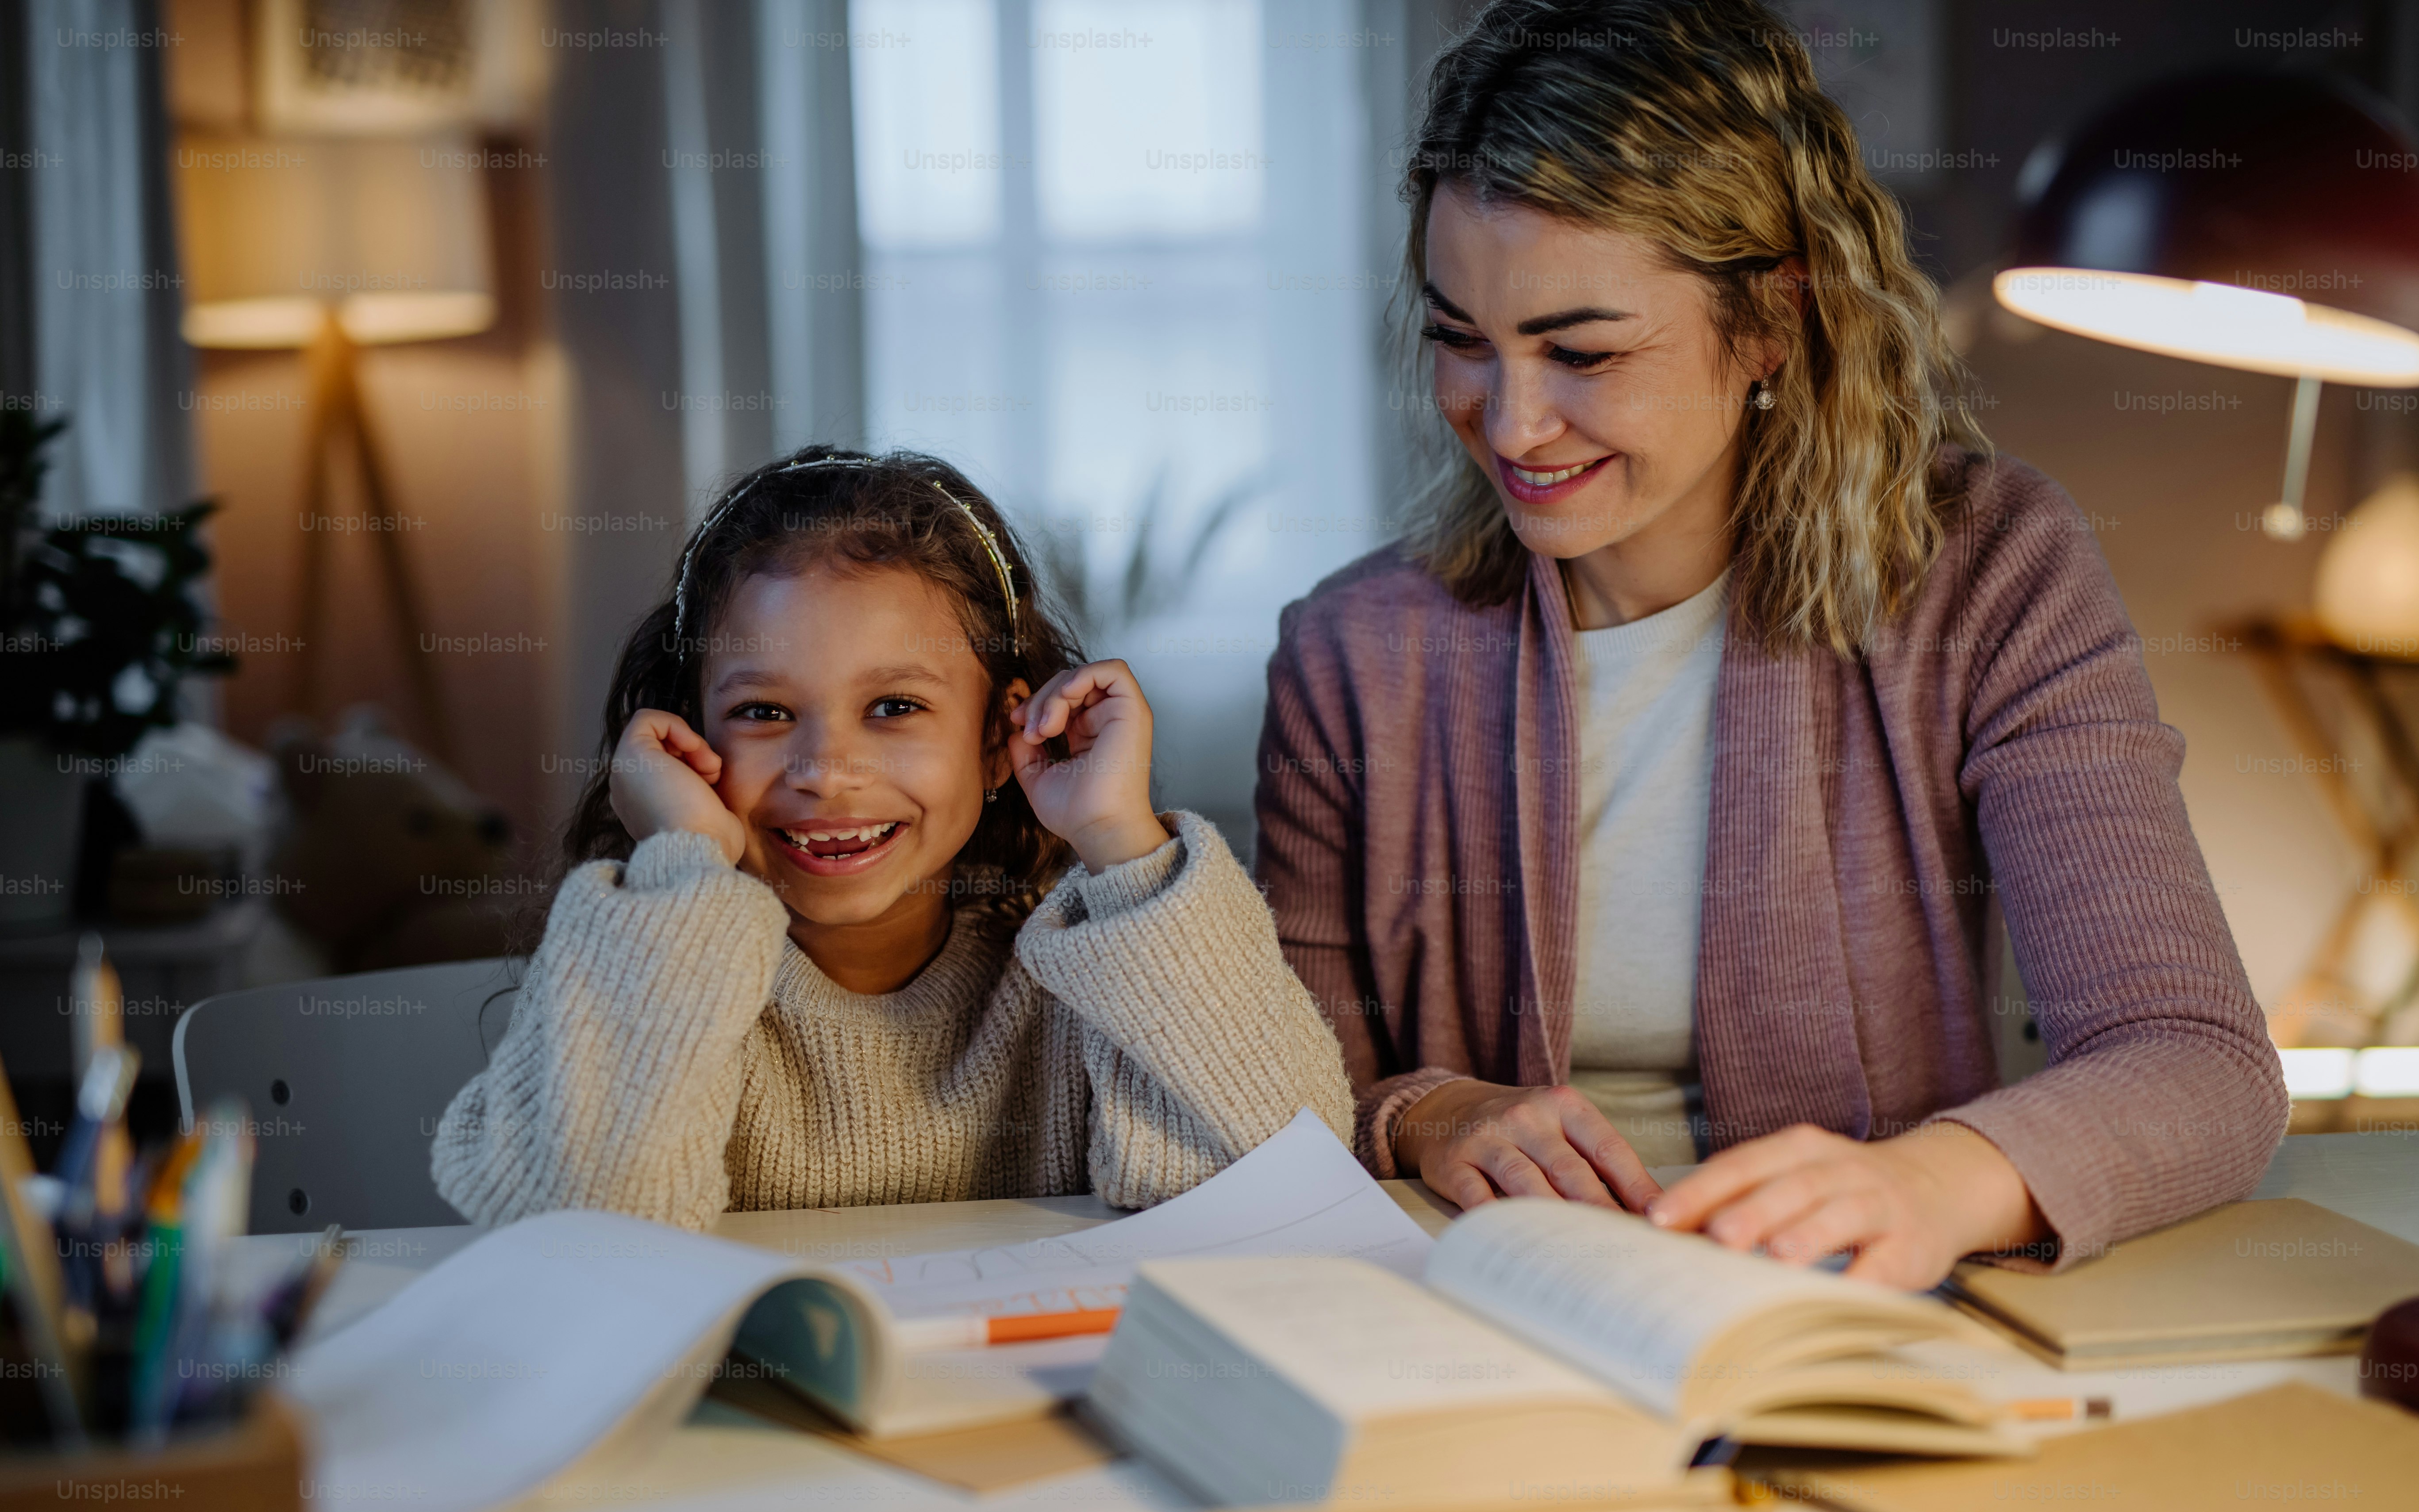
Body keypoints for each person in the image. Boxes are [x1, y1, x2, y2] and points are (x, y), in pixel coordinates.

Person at [1253, 0, 2286, 1287]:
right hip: (1471, 1313)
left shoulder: (1990, 569)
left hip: (1854, 1313)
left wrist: (1926, 1177)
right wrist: (1425, 1111)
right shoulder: (1351, 653)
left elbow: (2197, 1059)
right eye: (1461, 340)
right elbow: (1272, 1096)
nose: (1511, 424)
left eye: (1580, 350)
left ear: (1769, 325)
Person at [435, 448, 1350, 1230]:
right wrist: (682, 863)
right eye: (762, 711)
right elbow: (572, 1234)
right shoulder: (647, 958)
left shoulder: (1092, 976)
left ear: (1001, 738)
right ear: (688, 743)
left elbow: (1288, 1188)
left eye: (895, 707)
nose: (826, 769)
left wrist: (1124, 842)